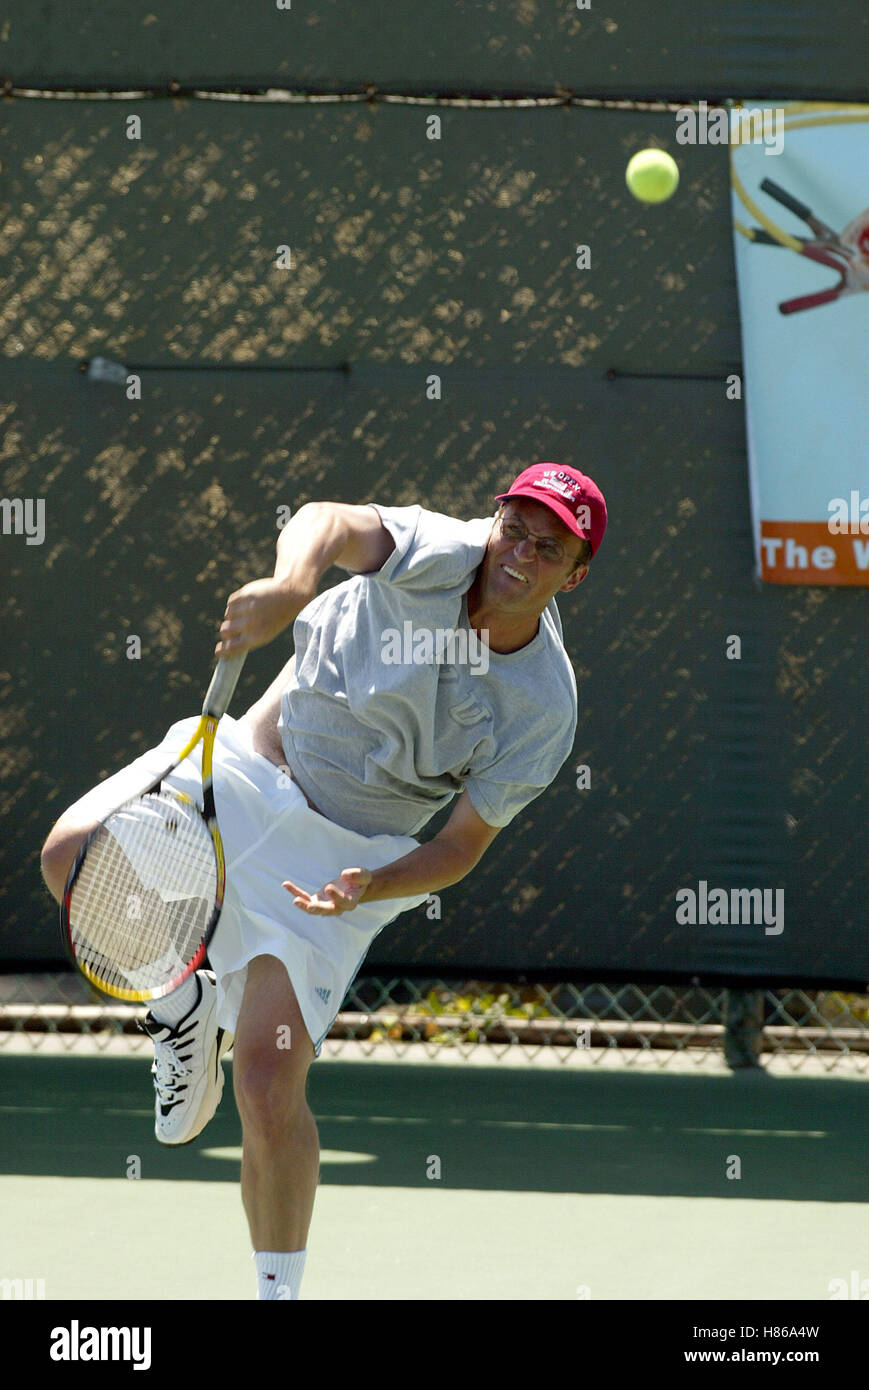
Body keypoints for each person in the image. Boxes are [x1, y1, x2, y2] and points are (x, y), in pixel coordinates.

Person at [40, 462, 607, 1300]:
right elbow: (330, 520)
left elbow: (459, 846)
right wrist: (287, 586)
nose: (518, 551)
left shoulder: (542, 707)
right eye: (513, 528)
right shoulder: (436, 549)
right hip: (247, 765)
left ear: (574, 573)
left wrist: (366, 887)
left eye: (546, 545)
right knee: (71, 855)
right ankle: (182, 1006)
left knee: (267, 1085)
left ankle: (277, 1293)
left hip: (345, 852)